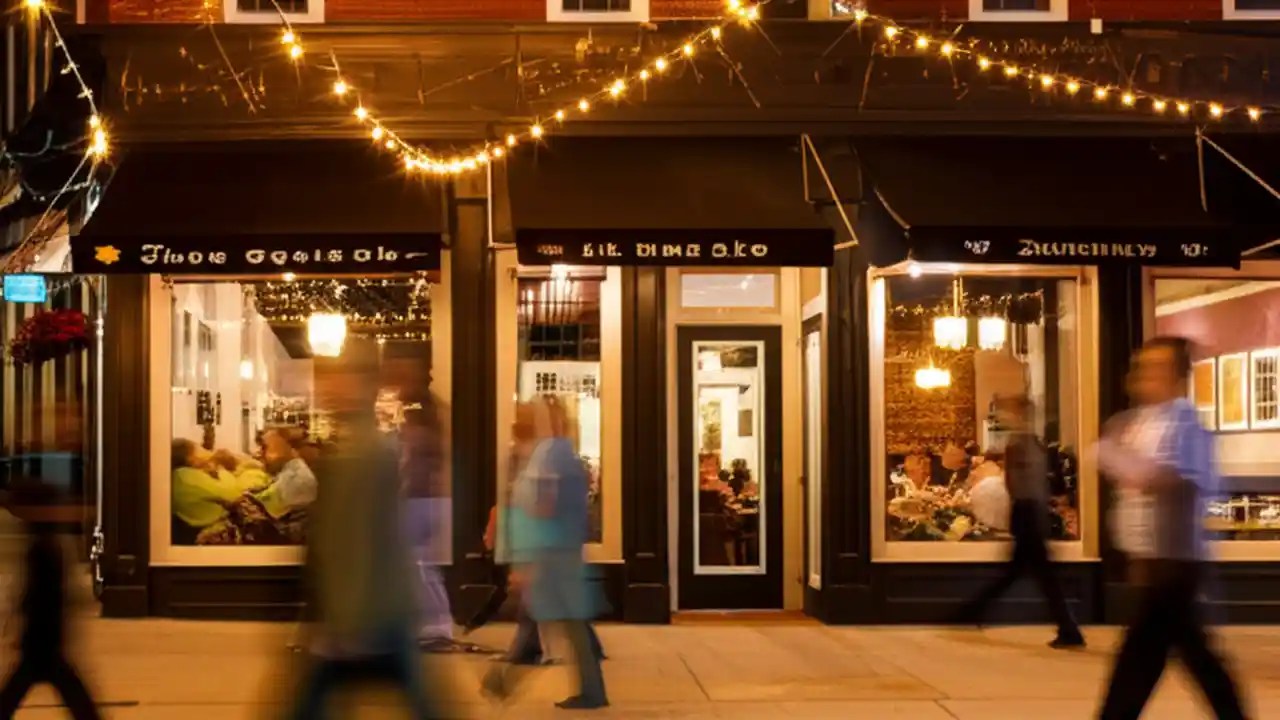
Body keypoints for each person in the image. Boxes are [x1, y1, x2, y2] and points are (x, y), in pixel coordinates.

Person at [1094, 336, 1248, 720]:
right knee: (1184, 655)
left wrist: (1119, 458)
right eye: (1142, 367)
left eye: (1156, 368)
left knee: (1146, 658)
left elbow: (1176, 480)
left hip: (1176, 563)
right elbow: (1135, 495)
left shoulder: (1187, 425)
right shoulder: (1137, 422)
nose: (1145, 376)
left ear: (1178, 378)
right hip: (1156, 562)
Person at [287, 339, 441, 720]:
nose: (327, 389)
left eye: (336, 378)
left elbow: (361, 542)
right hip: (371, 611)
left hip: (365, 614)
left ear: (362, 385)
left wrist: (345, 620)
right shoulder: (358, 447)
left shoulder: (366, 453)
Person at [483, 397, 608, 710]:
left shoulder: (551, 456)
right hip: (558, 549)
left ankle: (504, 681)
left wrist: (528, 558)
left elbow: (545, 507)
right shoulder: (558, 454)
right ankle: (592, 690)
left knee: (548, 617)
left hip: (551, 551)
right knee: (564, 620)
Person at [952, 395, 1085, 648]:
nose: (1005, 416)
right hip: (1034, 512)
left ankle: (973, 612)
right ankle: (974, 612)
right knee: (1027, 575)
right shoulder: (1035, 443)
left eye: (1009, 412)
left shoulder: (1017, 444)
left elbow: (1013, 484)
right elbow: (1041, 481)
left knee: (1026, 575)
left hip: (1026, 513)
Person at [0, 480, 101, 720]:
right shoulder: (45, 542)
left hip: (42, 637)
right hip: (45, 637)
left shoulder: (42, 544)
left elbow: (39, 593)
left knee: (23, 688)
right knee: (70, 691)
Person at [399, 394, 456, 648]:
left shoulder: (419, 439)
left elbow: (411, 473)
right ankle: (433, 622)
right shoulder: (433, 437)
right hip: (428, 502)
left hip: (420, 502)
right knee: (423, 563)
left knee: (421, 563)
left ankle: (437, 625)